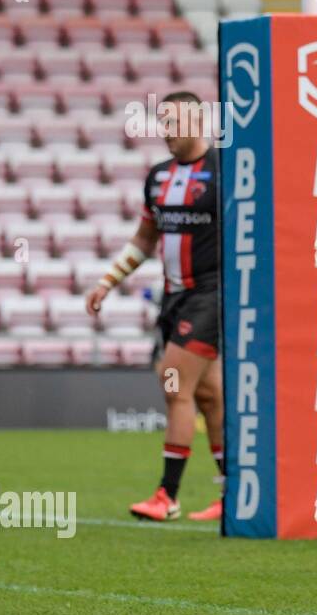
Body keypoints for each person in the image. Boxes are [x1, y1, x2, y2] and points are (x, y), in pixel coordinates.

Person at [87, 91, 224, 522]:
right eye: (162, 122)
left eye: (175, 123)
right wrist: (108, 281)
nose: (166, 131)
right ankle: (232, 492)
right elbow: (146, 238)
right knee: (209, 396)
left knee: (174, 386)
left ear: (198, 123)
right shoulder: (159, 176)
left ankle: (168, 495)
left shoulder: (225, 171)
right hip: (174, 298)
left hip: (211, 294)